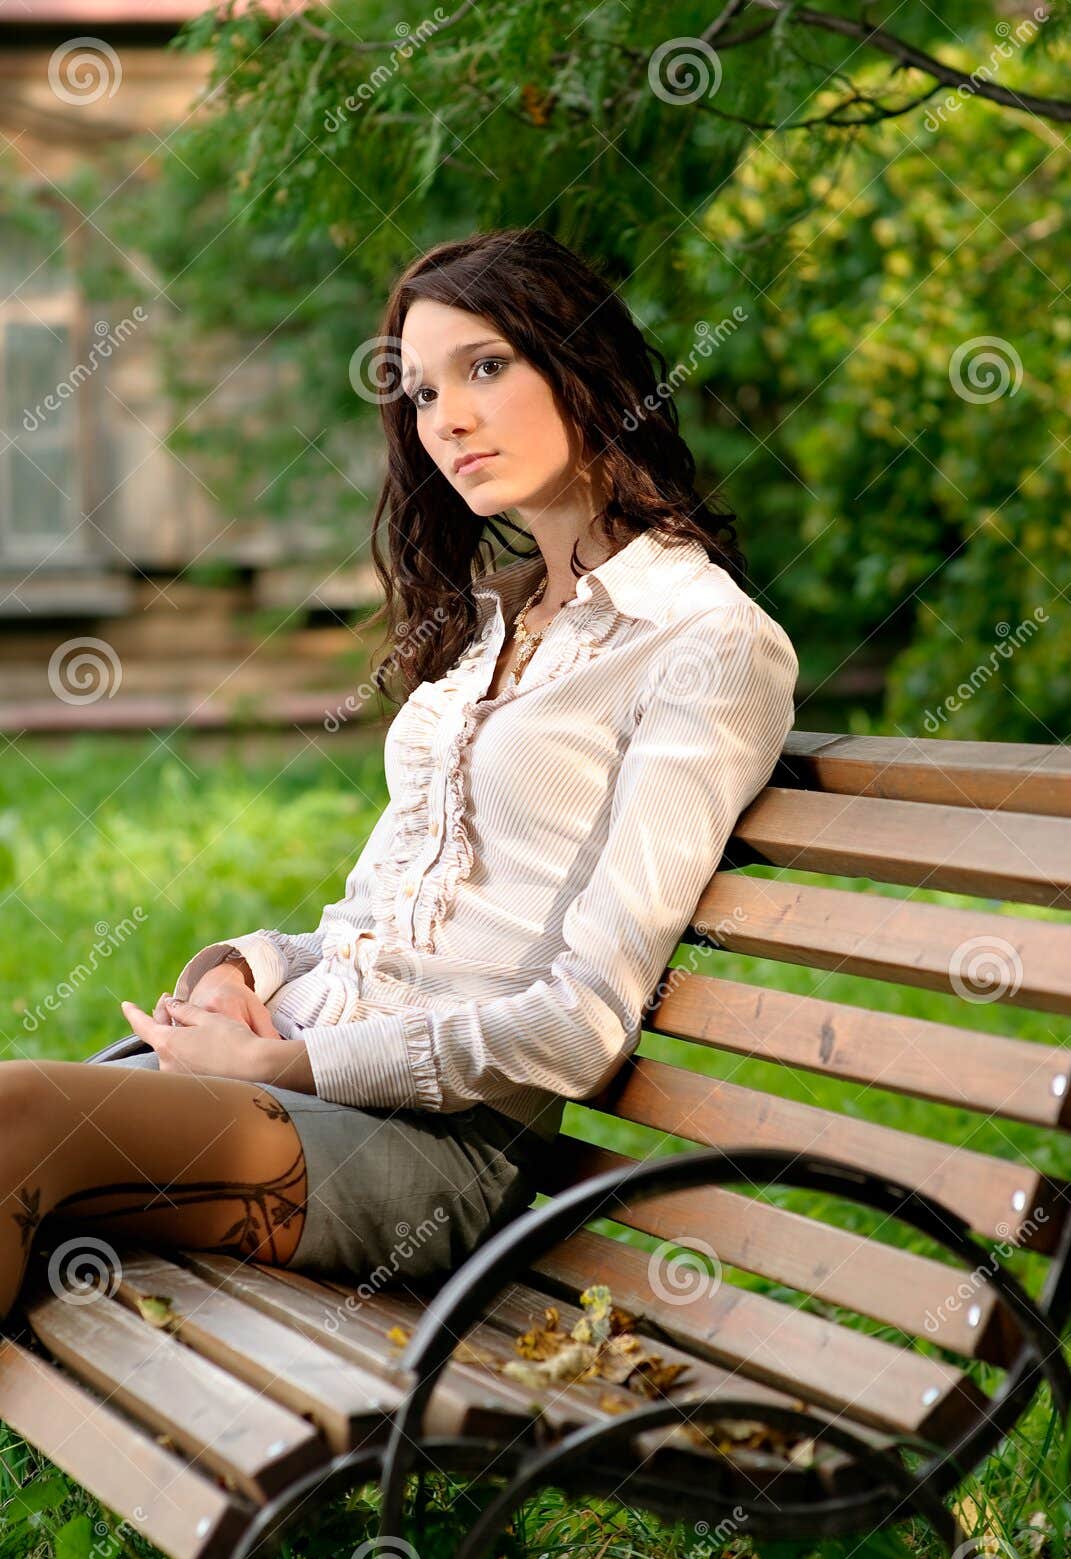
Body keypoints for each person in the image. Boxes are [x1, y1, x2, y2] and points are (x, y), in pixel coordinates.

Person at [0, 227, 797, 1321]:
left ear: (584, 365)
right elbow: (365, 924)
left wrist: (288, 1067)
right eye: (421, 393)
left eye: (484, 366)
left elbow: (578, 1024)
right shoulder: (496, 627)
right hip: (299, 1084)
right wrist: (241, 975)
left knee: (20, 1117)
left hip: (431, 1158)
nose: (449, 419)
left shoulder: (704, 641)